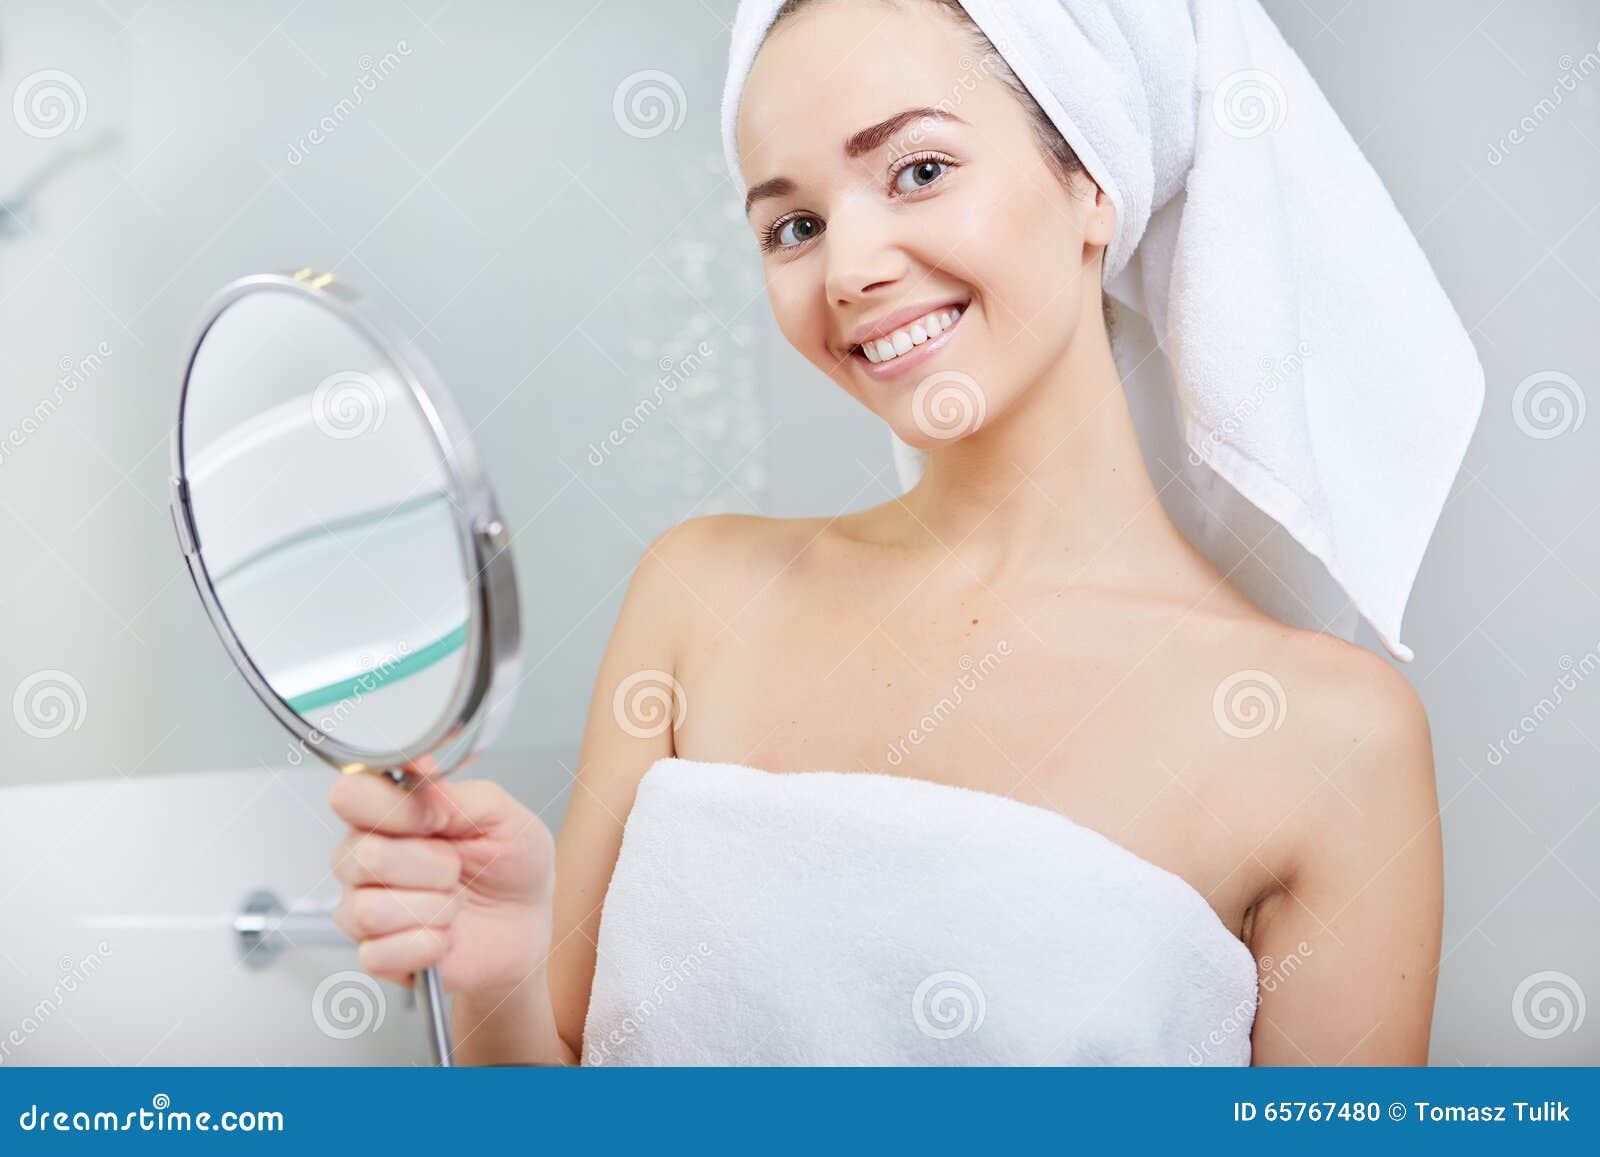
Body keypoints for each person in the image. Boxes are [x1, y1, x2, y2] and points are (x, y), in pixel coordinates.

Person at [328, 0, 1444, 1065]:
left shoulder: (1332, 737)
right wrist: (500, 977)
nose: (850, 269)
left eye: (919, 170)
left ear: (1091, 181)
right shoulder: (699, 597)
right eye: (795, 226)